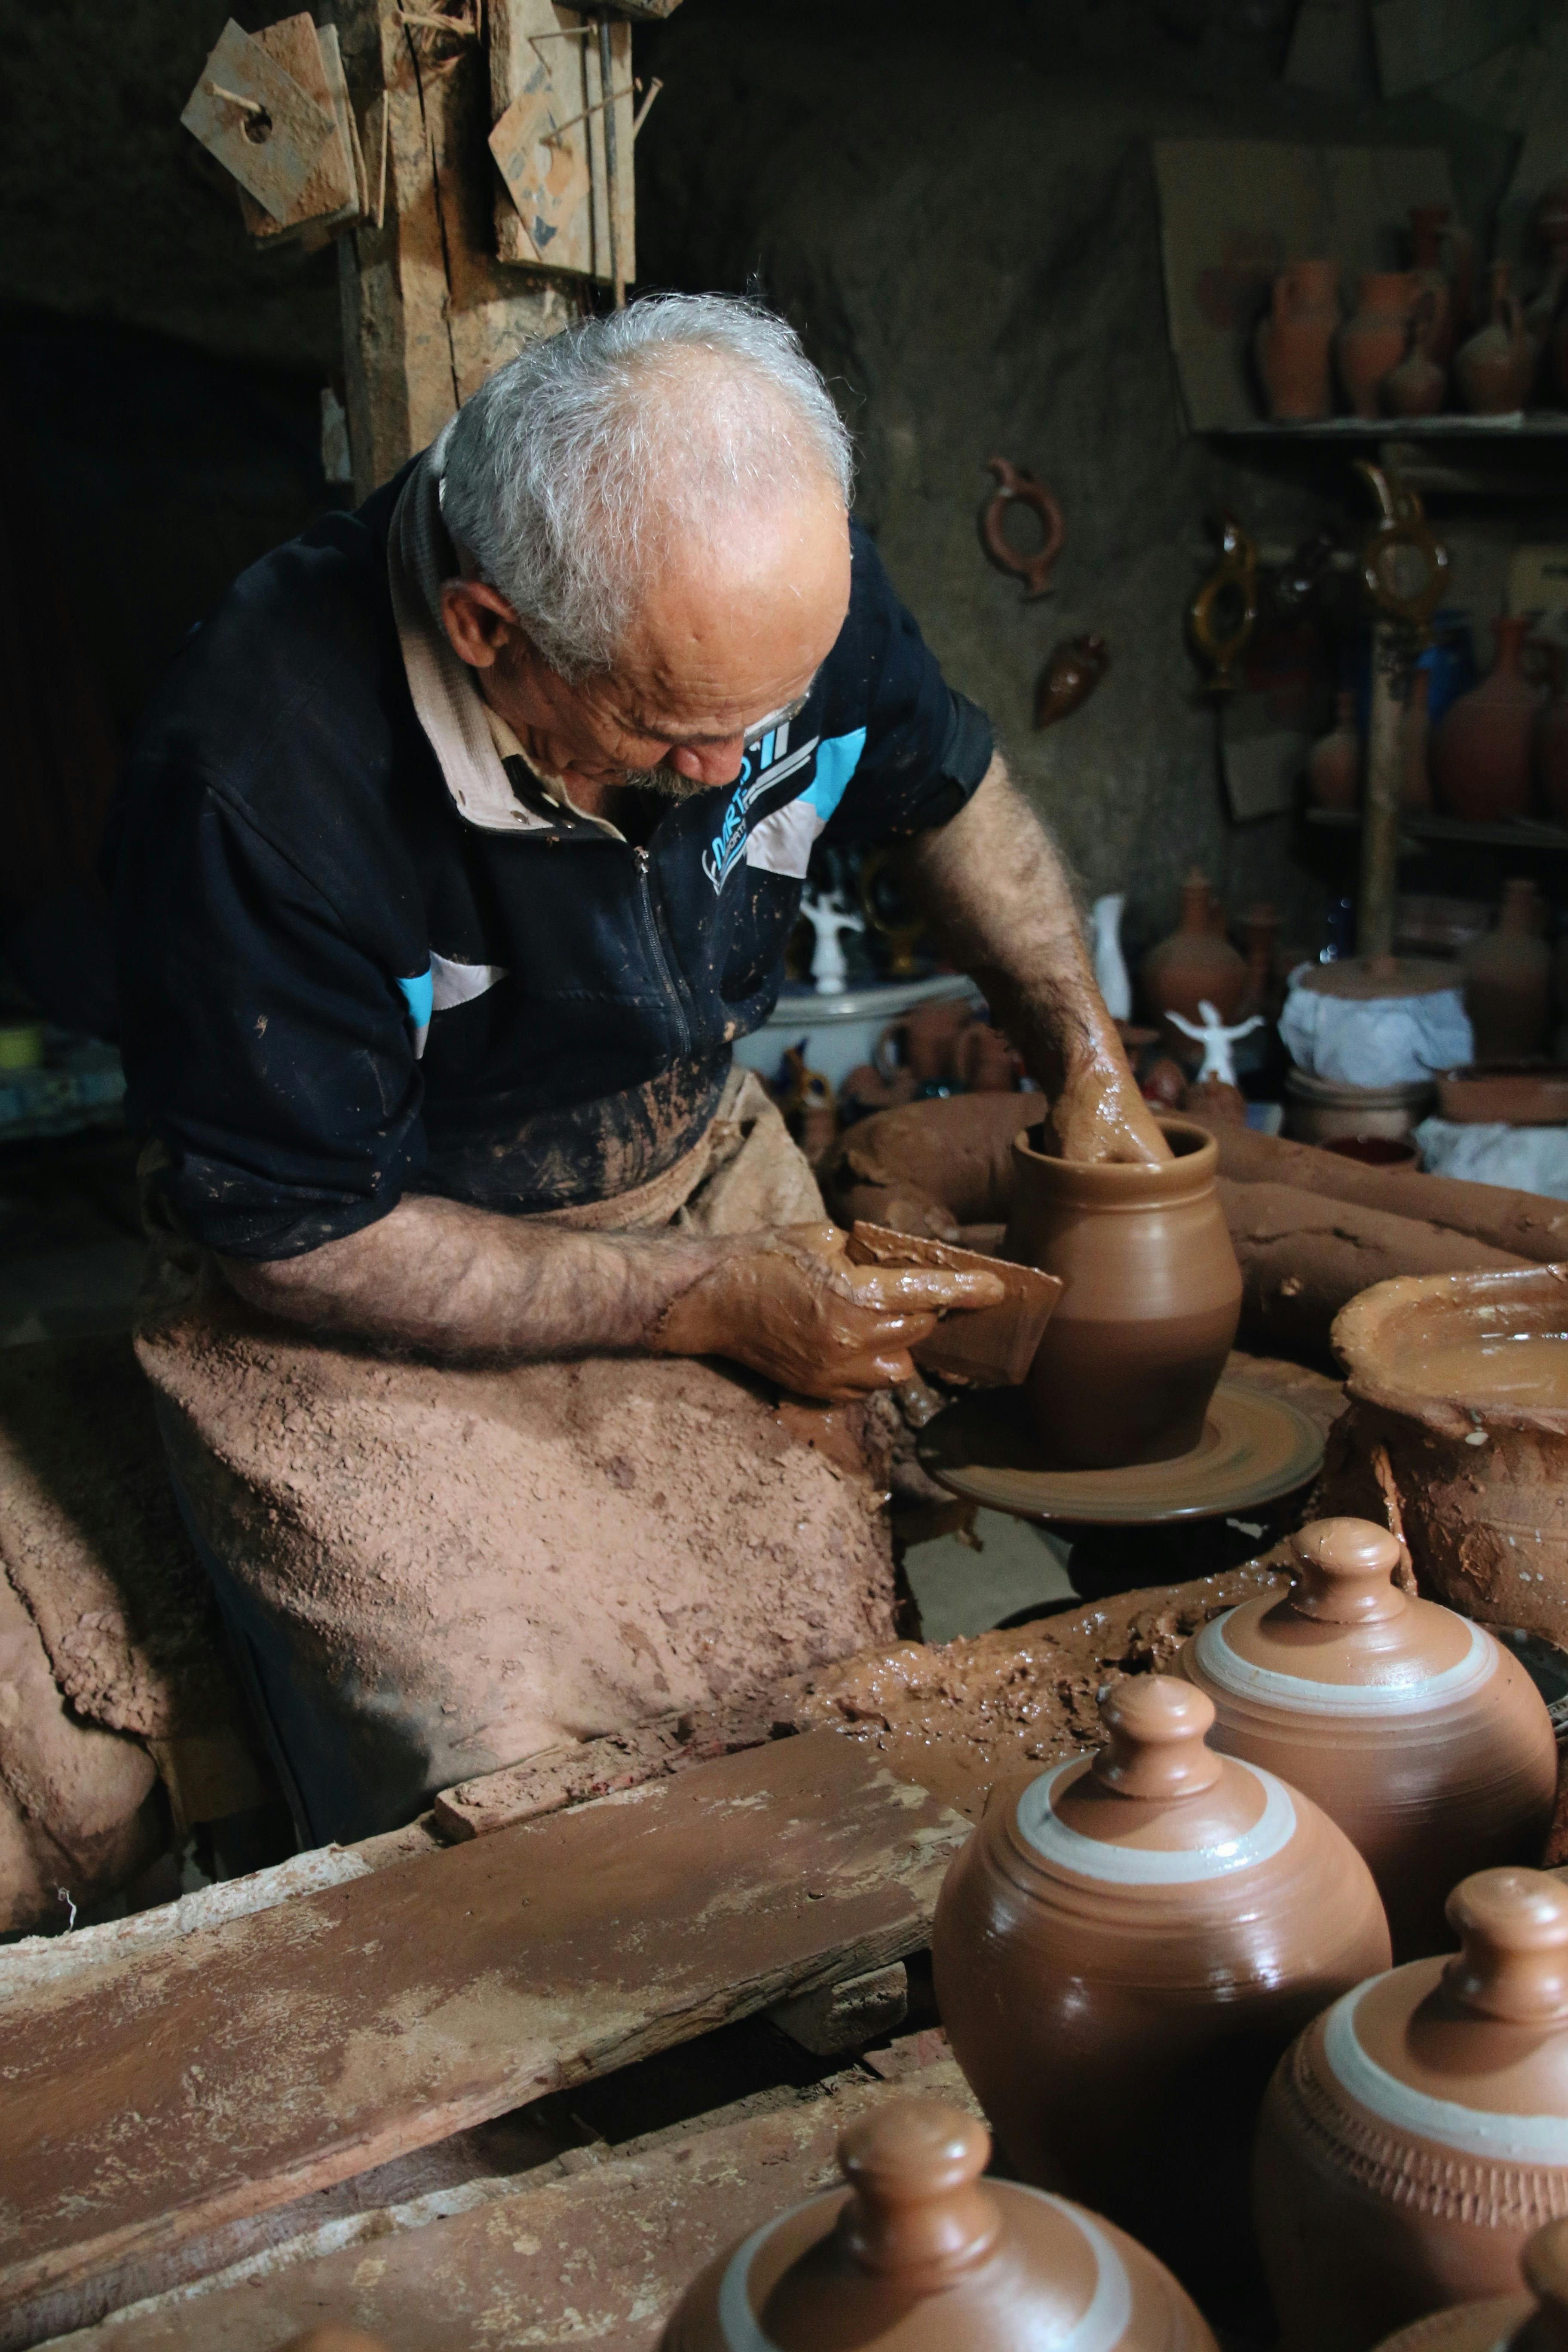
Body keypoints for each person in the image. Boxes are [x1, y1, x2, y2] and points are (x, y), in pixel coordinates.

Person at [113, 295, 1165, 1844]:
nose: (737, 766)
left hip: (688, 1161)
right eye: (677, 732)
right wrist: (715, 1298)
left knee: (819, 1680)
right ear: (488, 631)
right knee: (504, 1773)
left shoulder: (765, 598)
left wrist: (1086, 1050)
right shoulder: (257, 776)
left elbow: (945, 786)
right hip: (371, 1272)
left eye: (770, 719)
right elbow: (305, 1239)